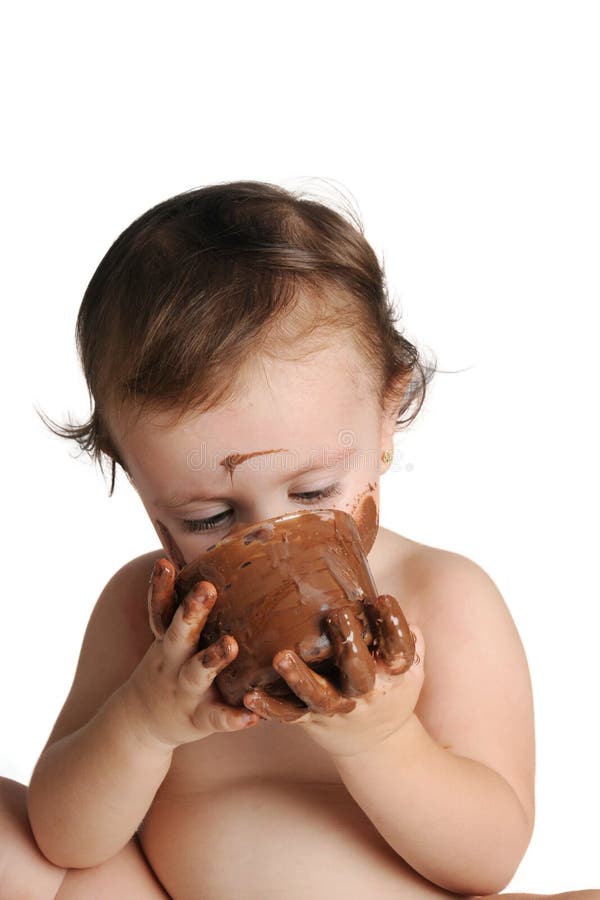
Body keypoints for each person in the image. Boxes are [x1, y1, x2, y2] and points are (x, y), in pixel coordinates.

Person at [0, 180, 596, 900]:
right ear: (144, 489)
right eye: (206, 519)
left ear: (386, 415)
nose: (266, 537)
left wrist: (381, 739)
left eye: (313, 493)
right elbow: (65, 838)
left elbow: (488, 859)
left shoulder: (443, 598)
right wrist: (145, 723)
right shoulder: (148, 621)